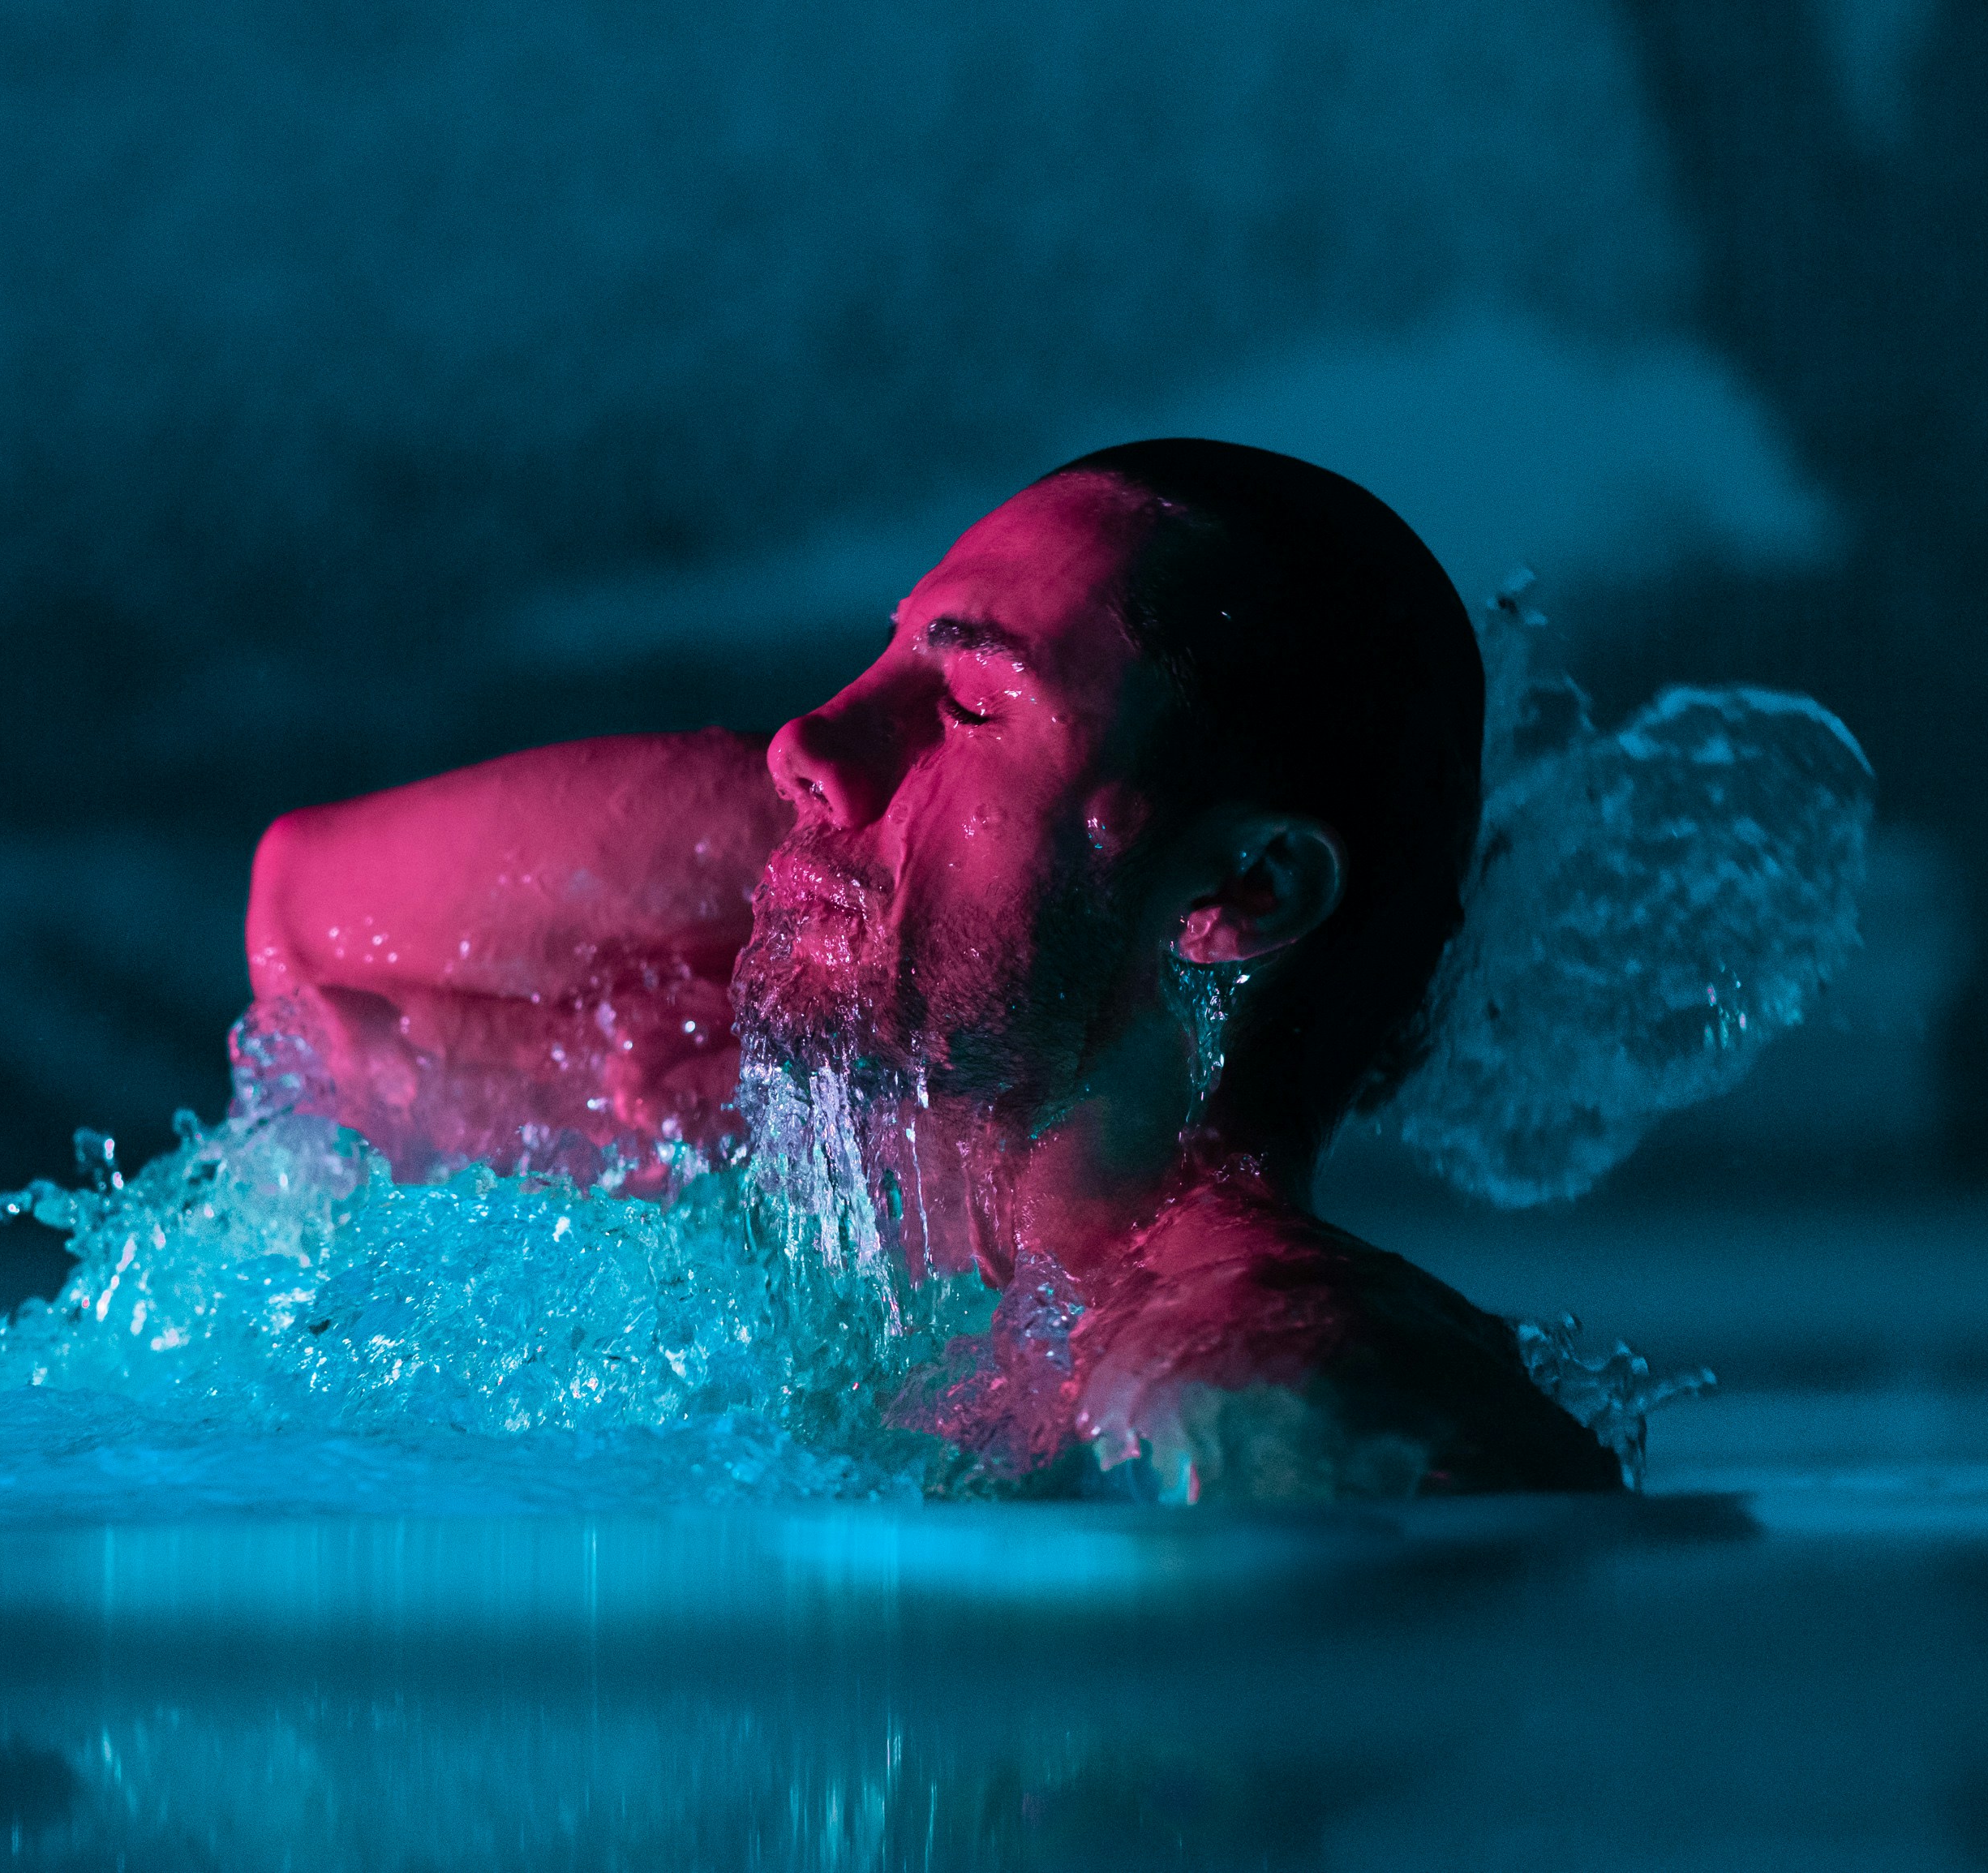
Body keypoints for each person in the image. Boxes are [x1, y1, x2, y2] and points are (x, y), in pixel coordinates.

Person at [244, 440, 1620, 1500]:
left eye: (965, 701)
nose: (803, 742)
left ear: (1243, 891)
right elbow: (312, 937)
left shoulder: (1280, 1390)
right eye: (886, 653)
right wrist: (856, 854)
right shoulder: (907, 1268)